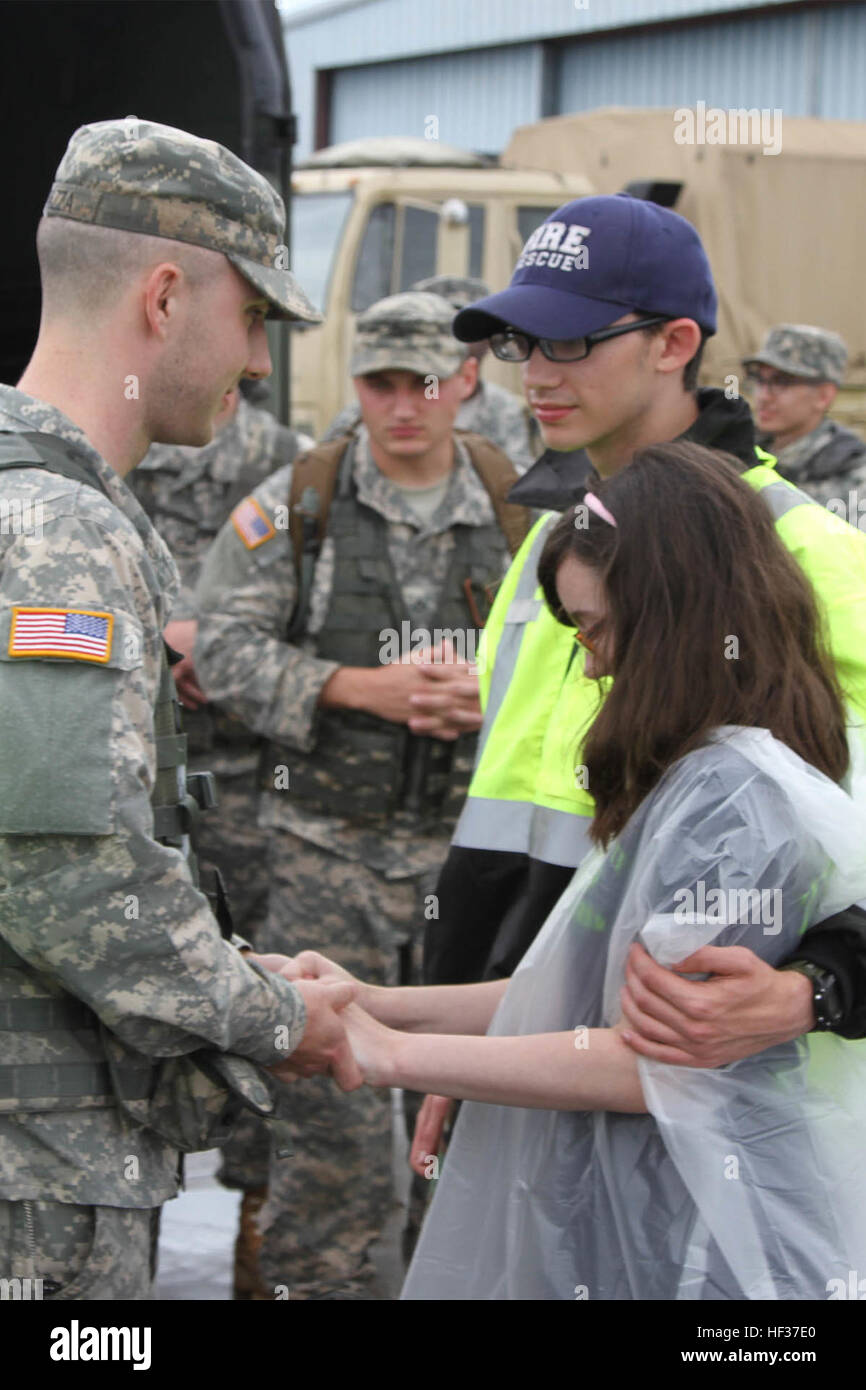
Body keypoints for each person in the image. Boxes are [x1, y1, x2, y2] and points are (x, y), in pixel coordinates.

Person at [278, 443, 866, 1300]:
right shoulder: (696, 771)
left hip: (711, 1249)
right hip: (660, 1224)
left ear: (672, 612)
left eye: (596, 628)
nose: (592, 662)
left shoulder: (737, 797)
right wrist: (374, 1001)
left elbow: (652, 1061)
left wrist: (392, 1053)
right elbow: (578, 989)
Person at [415, 194, 866, 1170]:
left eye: (569, 342)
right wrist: (452, 1044)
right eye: (518, 343)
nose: (535, 373)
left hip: (700, 1129)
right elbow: (506, 829)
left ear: (673, 343)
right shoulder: (555, 545)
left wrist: (811, 989)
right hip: (519, 1061)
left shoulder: (807, 560)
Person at [0, 116, 361, 1301]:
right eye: (252, 315)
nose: (258, 360)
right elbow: (64, 865)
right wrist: (267, 1012)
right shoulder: (59, 534)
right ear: (163, 297)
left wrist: (230, 963)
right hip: (38, 1183)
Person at [193, 289, 530, 1299]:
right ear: (357, 386)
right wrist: (357, 688)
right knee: (328, 1140)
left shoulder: (524, 504)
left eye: (424, 381)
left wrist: (497, 699)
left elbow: (594, 656)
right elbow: (219, 644)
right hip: (326, 854)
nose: (402, 404)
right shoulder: (299, 497)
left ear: (465, 381)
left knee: (466, 1122)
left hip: (472, 858)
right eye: (379, 382)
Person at [128, 378, 315, 1296]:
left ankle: (255, 1230)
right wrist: (166, 638)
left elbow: (299, 597)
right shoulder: (124, 439)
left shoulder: (284, 465)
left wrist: (225, 644)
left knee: (247, 978)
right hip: (135, 765)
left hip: (246, 771)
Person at [321, 275, 541, 472]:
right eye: (444, 325)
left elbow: (517, 479)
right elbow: (327, 466)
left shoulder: (502, 407)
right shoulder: (365, 413)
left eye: (469, 325)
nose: (403, 411)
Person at [743, 323, 866, 506]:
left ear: (824, 396)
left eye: (781, 382)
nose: (763, 396)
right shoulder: (741, 452)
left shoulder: (853, 476)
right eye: (760, 380)